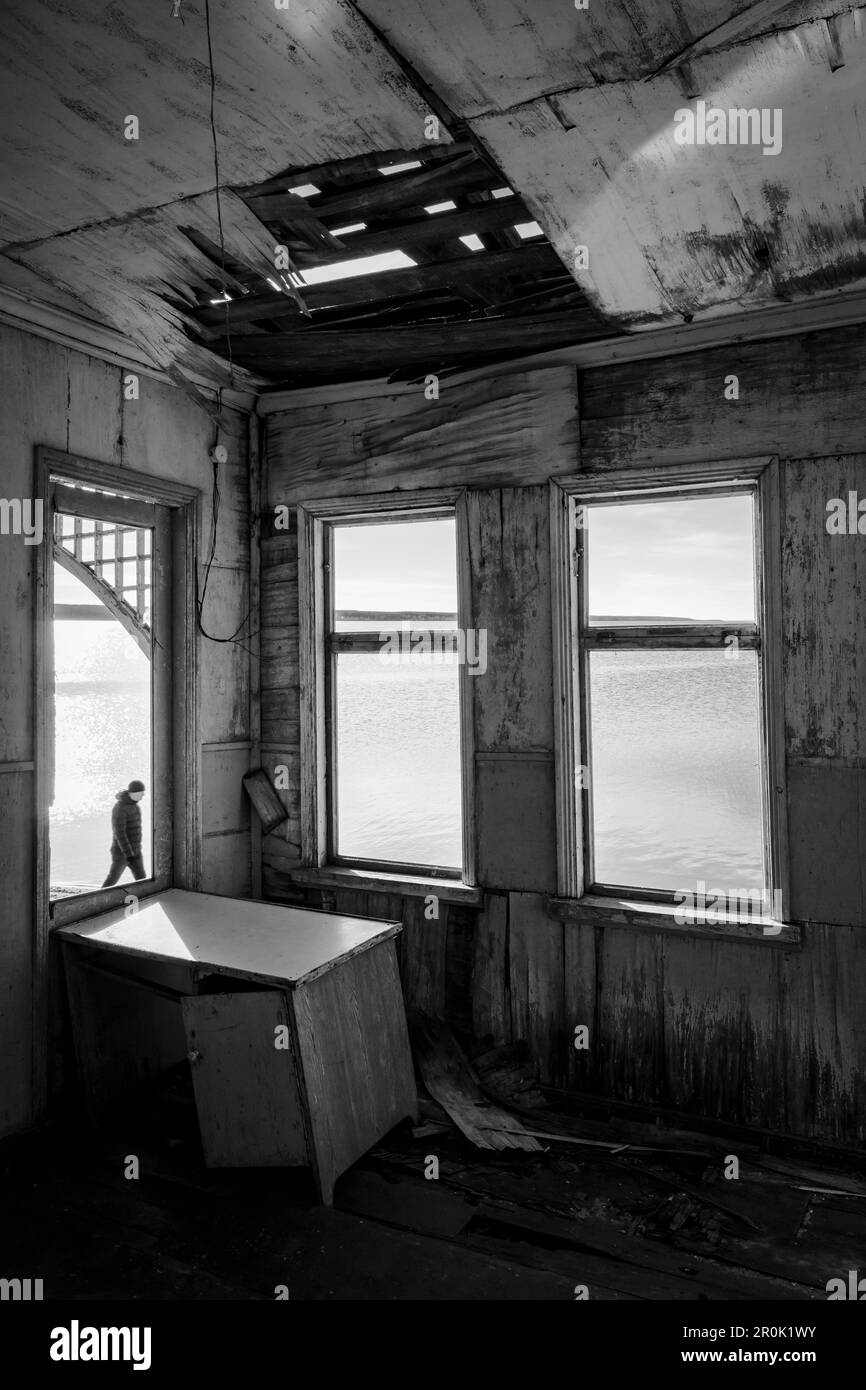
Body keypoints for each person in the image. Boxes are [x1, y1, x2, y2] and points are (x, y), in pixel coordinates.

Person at [102, 780, 147, 886]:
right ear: (133, 793)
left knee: (142, 880)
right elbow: (120, 834)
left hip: (135, 851)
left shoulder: (135, 806)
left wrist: (135, 852)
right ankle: (97, 899)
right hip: (121, 853)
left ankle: (142, 900)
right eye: (141, 793)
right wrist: (129, 855)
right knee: (112, 880)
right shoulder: (119, 808)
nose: (143, 796)